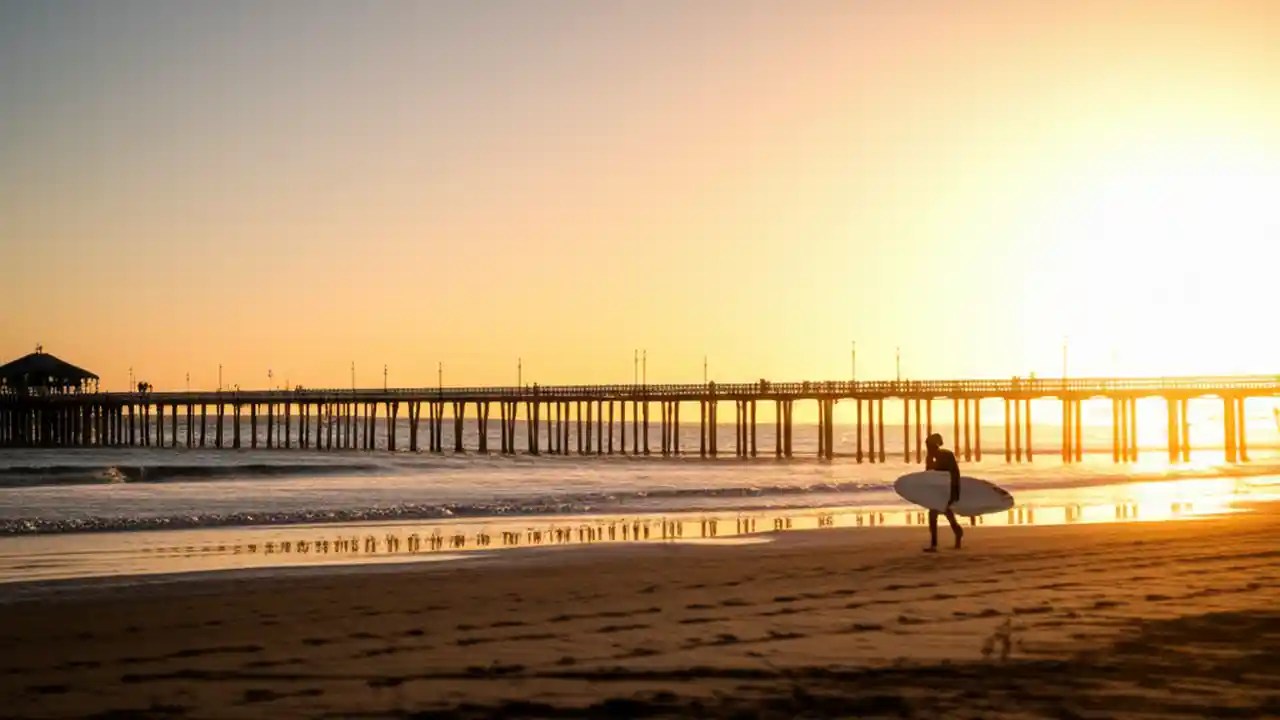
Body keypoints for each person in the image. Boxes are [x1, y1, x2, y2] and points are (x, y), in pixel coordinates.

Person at [924, 433, 963, 551]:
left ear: (934, 446)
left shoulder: (947, 455)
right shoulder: (930, 458)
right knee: (938, 514)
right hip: (937, 491)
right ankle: (955, 534)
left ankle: (937, 543)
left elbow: (955, 474)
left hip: (947, 490)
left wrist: (955, 492)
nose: (927, 449)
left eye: (929, 446)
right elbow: (929, 475)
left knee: (939, 514)